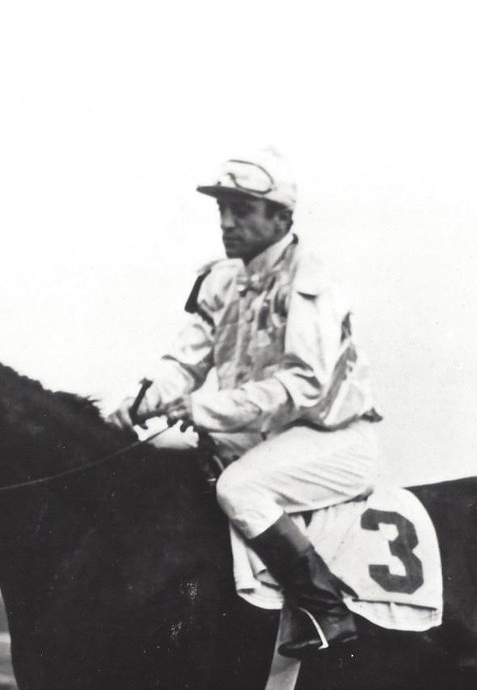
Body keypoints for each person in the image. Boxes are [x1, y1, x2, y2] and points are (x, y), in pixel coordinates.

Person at [111, 148, 383, 657]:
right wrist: (143, 399)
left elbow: (302, 385)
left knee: (239, 489)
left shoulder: (311, 281)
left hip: (333, 437)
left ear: (281, 217)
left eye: (242, 210)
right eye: (222, 210)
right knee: (146, 463)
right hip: (262, 437)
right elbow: (185, 362)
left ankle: (326, 609)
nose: (227, 223)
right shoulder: (219, 278)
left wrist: (203, 410)